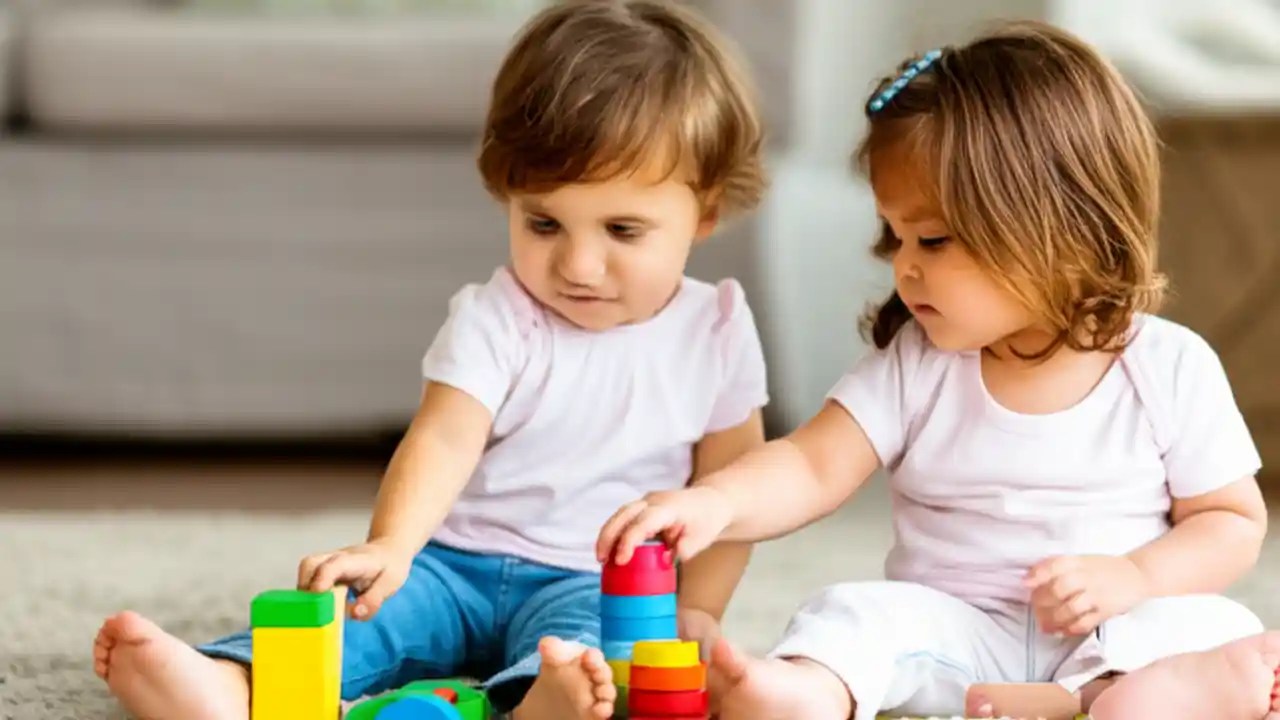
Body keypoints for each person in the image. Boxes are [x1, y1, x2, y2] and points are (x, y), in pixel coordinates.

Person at [92, 2, 770, 718]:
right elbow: (444, 436)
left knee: (594, 649)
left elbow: (731, 488)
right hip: (451, 564)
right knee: (355, 615)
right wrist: (393, 546)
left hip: (598, 580)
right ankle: (230, 684)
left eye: (622, 230)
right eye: (543, 223)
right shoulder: (498, 316)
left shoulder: (716, 328)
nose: (578, 263)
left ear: (706, 212)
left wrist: (700, 608)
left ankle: (544, 699)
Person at [598, 20, 1275, 720]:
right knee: (851, 614)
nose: (903, 265)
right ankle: (806, 694)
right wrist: (716, 503)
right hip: (953, 635)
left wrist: (1136, 576)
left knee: (1211, 630)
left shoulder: (1168, 364)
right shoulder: (915, 363)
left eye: (934, 239)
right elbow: (810, 466)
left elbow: (1229, 521)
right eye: (896, 235)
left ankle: (1108, 698)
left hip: (1115, 632)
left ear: (1057, 227)